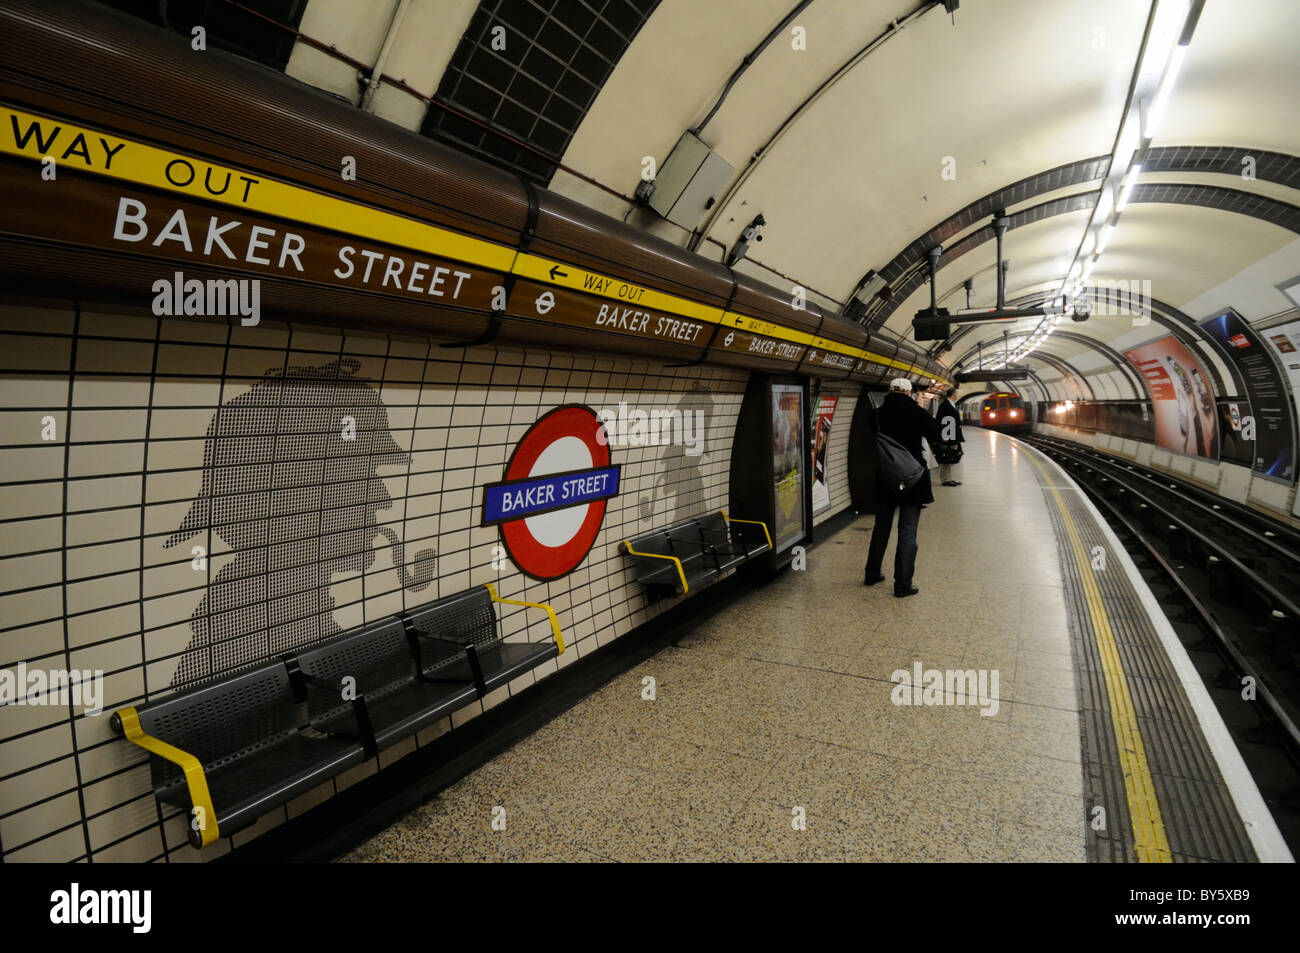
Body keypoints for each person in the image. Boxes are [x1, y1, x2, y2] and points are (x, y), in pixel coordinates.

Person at [865, 378, 942, 598]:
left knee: (881, 527)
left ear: (889, 392)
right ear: (909, 393)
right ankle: (903, 584)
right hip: (912, 479)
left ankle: (872, 574)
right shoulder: (916, 412)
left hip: (885, 478)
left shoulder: (876, 414)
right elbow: (936, 433)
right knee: (907, 531)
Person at [935, 386, 964, 486]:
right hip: (948, 436)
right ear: (953, 394)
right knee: (946, 457)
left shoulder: (951, 404)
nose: (957, 394)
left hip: (953, 435)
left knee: (951, 456)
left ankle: (949, 478)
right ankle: (945, 479)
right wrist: (945, 436)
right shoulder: (945, 405)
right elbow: (943, 422)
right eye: (956, 393)